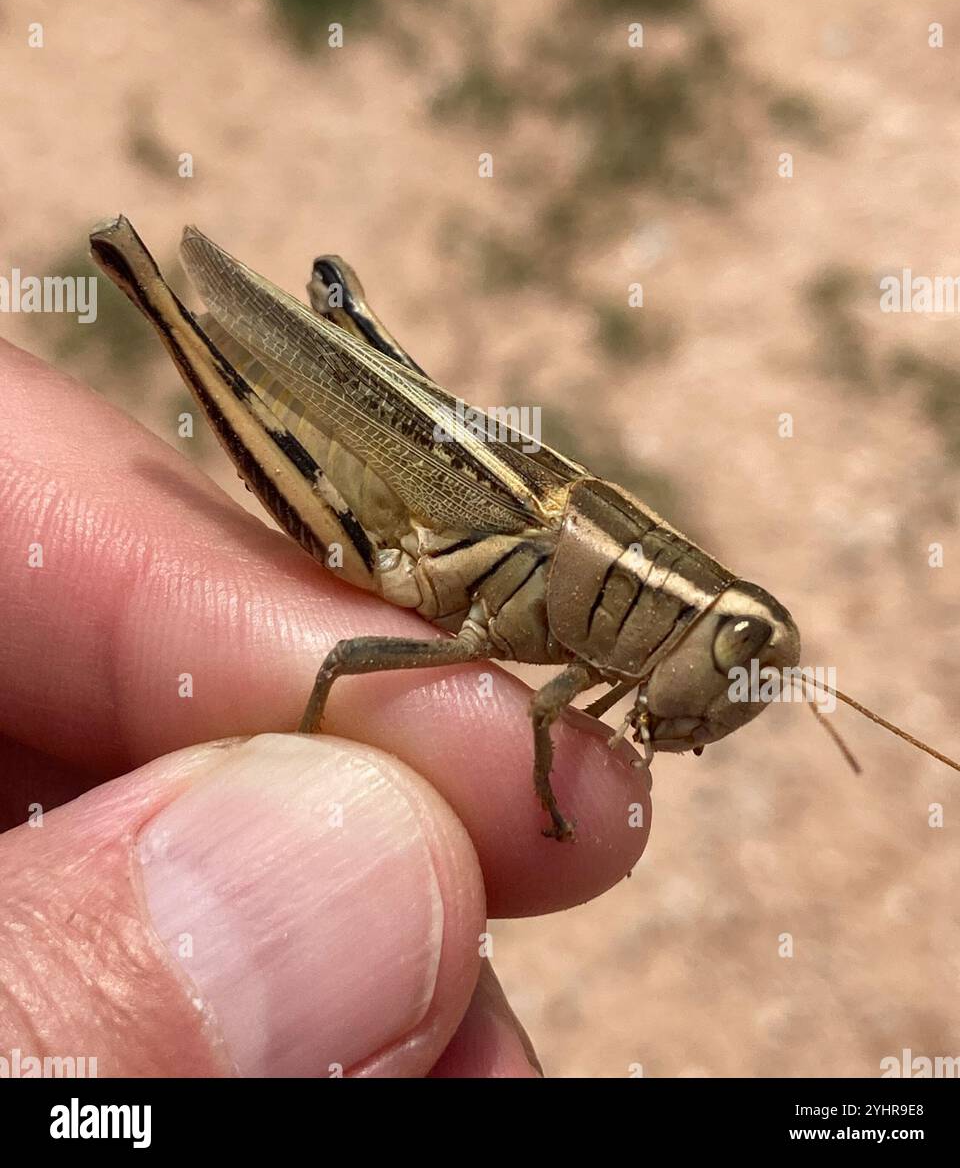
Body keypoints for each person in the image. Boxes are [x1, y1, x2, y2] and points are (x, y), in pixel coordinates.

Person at [0, 338, 649, 1077]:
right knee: (343, 661)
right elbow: (524, 710)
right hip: (388, 533)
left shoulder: (596, 611)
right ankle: (167, 312)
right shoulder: (566, 563)